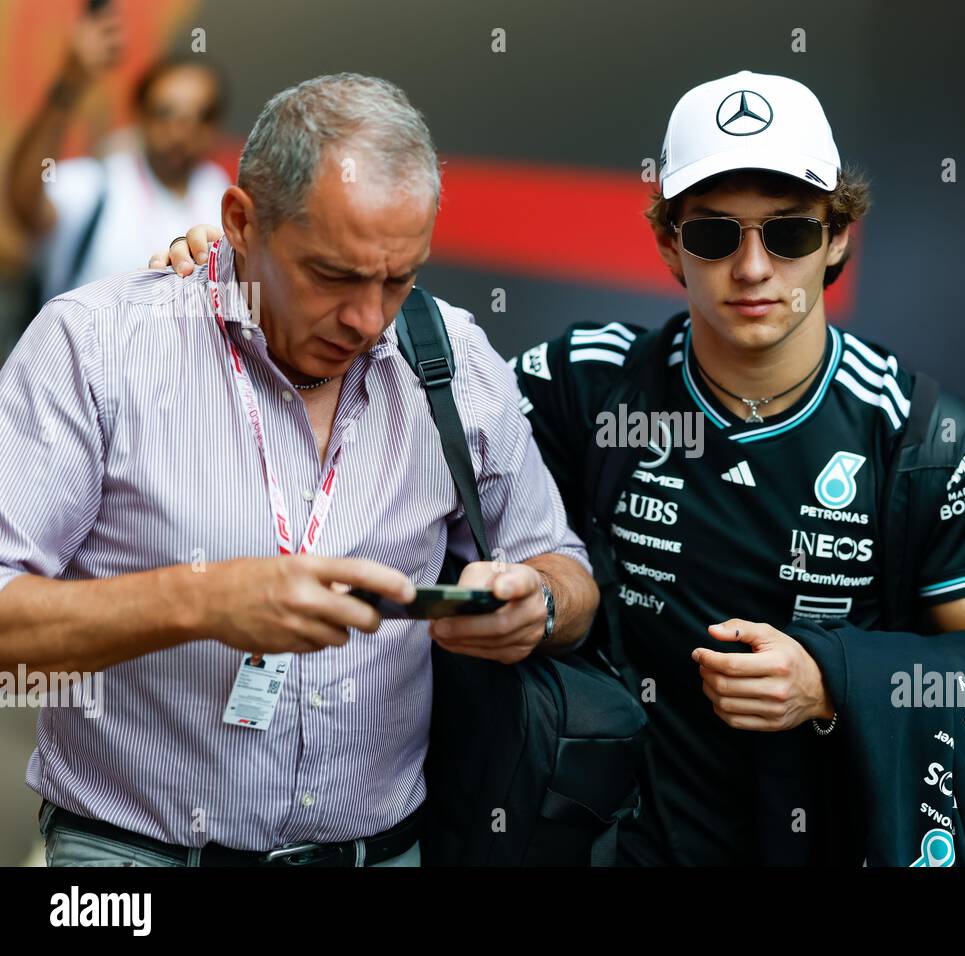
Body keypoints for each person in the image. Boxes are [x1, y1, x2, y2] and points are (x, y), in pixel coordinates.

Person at [154, 70, 965, 867]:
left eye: (793, 231)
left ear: (839, 239)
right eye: (716, 233)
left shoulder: (919, 437)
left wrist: (829, 682)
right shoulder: (588, 381)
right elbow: (387, 378)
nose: (754, 266)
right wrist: (241, 268)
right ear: (668, 244)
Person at [0, 73, 596, 868]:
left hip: (382, 852)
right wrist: (202, 599)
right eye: (335, 276)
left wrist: (541, 603)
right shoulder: (97, 347)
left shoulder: (452, 360)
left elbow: (565, 566)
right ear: (241, 221)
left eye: (400, 277)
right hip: (133, 860)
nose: (368, 319)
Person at [4, 3, 230, 303]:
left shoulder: (217, 192)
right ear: (139, 117)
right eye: (165, 113)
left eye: (200, 117)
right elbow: (24, 202)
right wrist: (70, 82)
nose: (180, 132)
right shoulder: (98, 185)